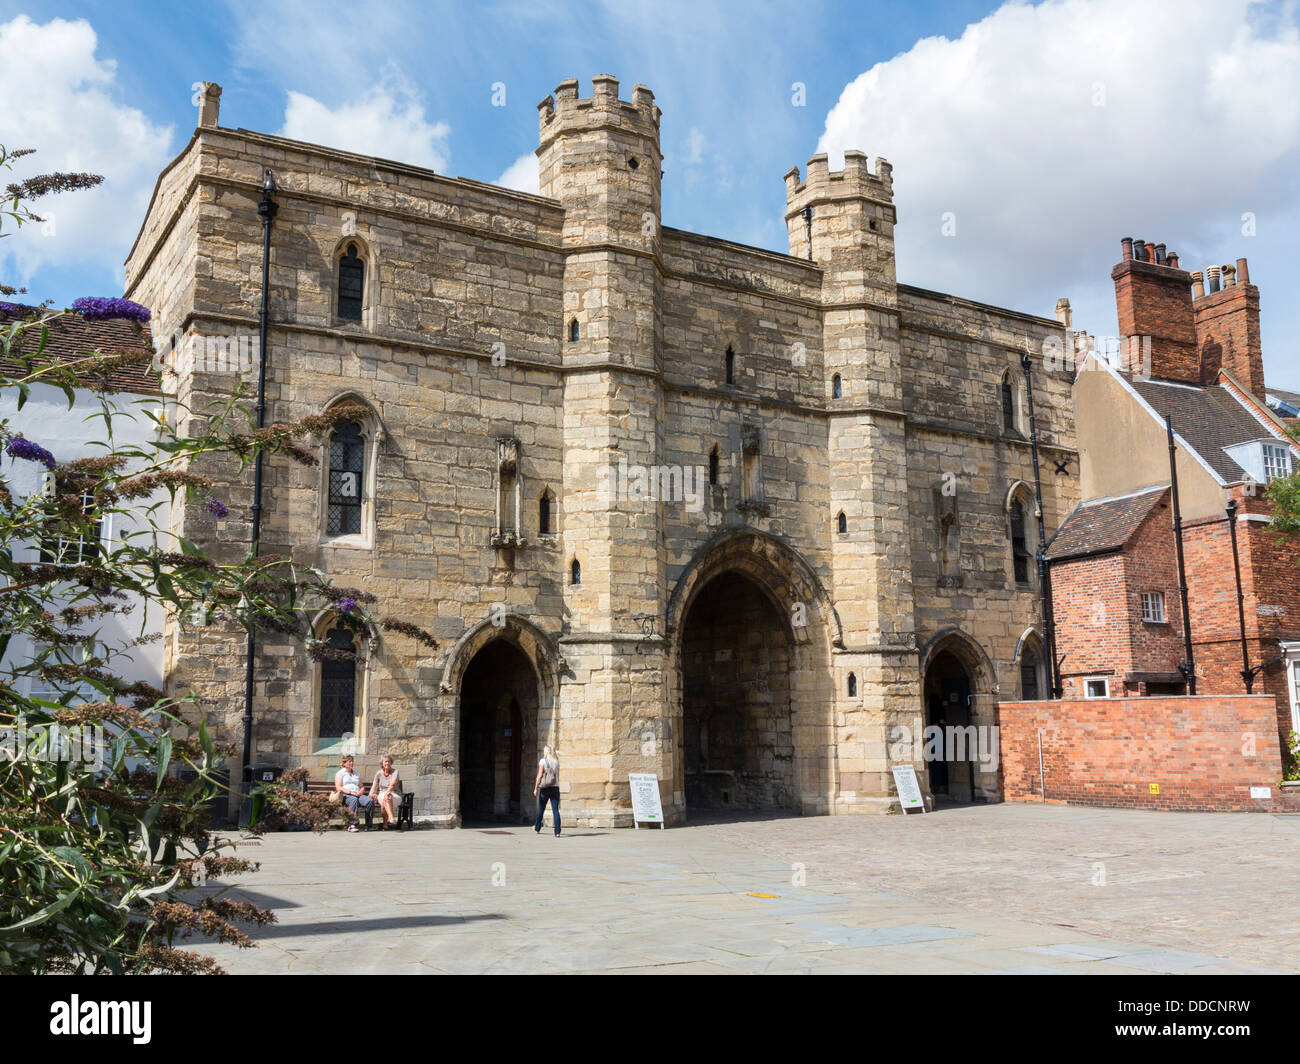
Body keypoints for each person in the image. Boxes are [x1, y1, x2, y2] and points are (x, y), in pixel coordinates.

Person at [334, 754, 373, 832]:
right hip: (346, 795)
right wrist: (351, 792)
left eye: (352, 761)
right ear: (344, 763)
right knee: (353, 799)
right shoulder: (340, 773)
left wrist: (360, 792)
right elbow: (338, 787)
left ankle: (368, 825)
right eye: (349, 761)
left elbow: (362, 787)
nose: (351, 763)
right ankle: (352, 824)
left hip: (357, 794)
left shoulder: (356, 774)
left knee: (369, 801)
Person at [533, 745, 561, 836]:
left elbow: (540, 775)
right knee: (555, 810)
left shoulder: (543, 761)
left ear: (545, 752)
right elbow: (556, 776)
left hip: (545, 788)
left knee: (541, 808)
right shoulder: (556, 762)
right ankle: (557, 831)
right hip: (555, 787)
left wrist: (536, 787)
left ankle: (537, 828)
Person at [370, 754, 403, 830]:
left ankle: (387, 821)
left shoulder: (395, 772)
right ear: (382, 763)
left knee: (387, 796)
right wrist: (371, 795)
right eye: (385, 762)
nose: (387, 763)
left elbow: (392, 784)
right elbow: (374, 786)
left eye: (388, 761)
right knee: (385, 797)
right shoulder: (378, 773)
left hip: (395, 795)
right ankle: (390, 819)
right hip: (381, 794)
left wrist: (387, 793)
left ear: (391, 763)